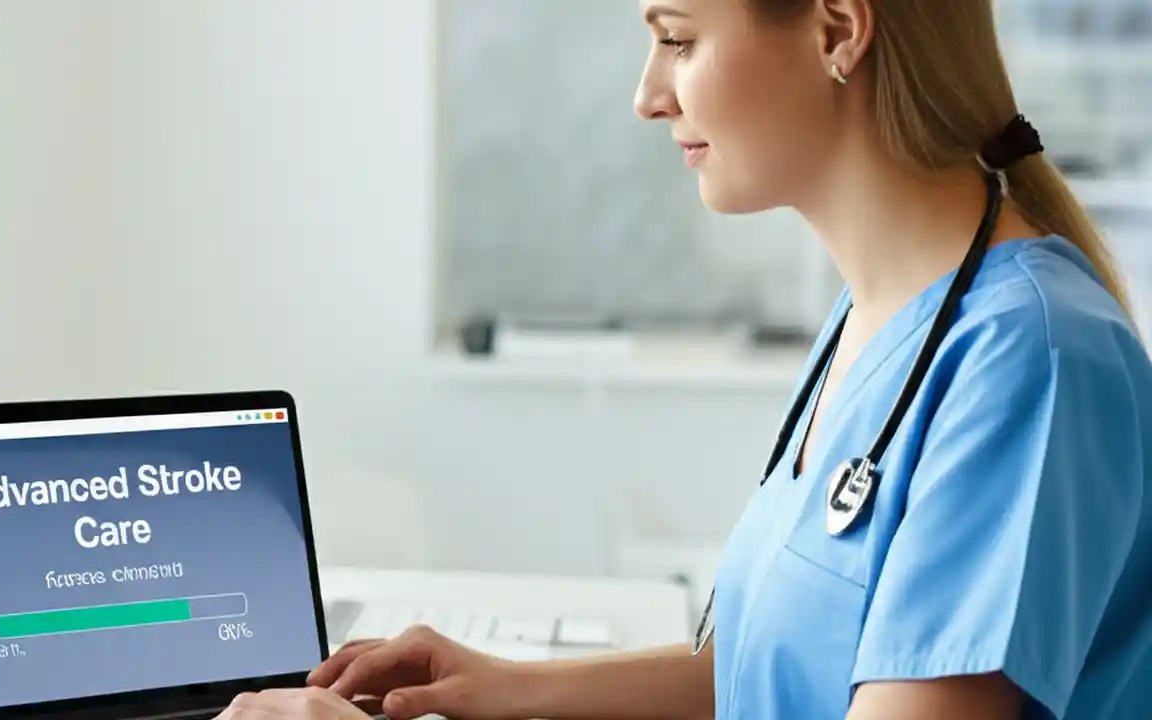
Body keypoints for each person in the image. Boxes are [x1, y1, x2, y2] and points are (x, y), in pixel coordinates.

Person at [216, 1, 1152, 718]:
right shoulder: (879, 316)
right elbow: (783, 673)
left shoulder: (1030, 357)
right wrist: (509, 687)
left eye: (679, 38)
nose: (648, 93)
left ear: (836, 28)